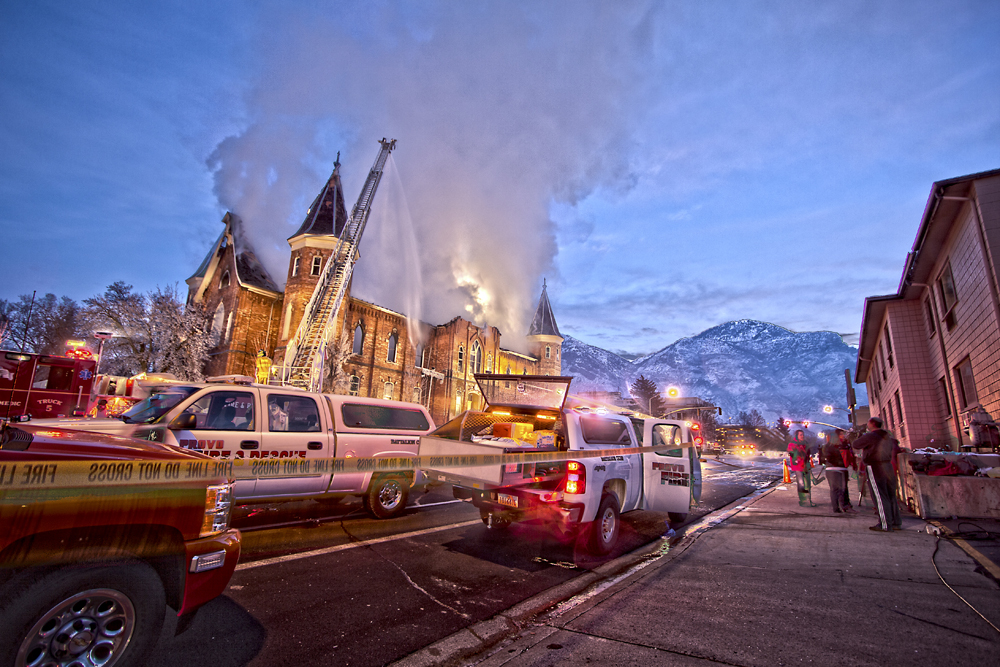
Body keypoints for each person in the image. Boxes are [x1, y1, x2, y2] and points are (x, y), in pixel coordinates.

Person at [852, 417, 902, 531]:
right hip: (888, 466)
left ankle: (885, 524)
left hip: (875, 466)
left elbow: (856, 444)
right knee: (890, 495)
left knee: (879, 495)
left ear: (872, 424)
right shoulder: (887, 437)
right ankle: (895, 522)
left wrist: (860, 436)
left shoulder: (871, 436)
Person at [819, 429, 856, 514]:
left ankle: (837, 508)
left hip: (833, 469)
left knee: (836, 489)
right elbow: (830, 458)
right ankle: (841, 507)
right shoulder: (833, 447)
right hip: (836, 470)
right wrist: (840, 464)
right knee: (840, 489)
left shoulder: (828, 447)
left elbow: (824, 459)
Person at [787, 430, 816, 507]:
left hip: (806, 466)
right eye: (800, 435)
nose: (802, 436)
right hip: (798, 467)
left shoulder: (805, 444)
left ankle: (809, 500)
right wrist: (797, 457)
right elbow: (791, 454)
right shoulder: (792, 444)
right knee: (801, 484)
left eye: (803, 434)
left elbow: (808, 454)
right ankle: (803, 500)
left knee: (808, 484)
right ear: (797, 436)